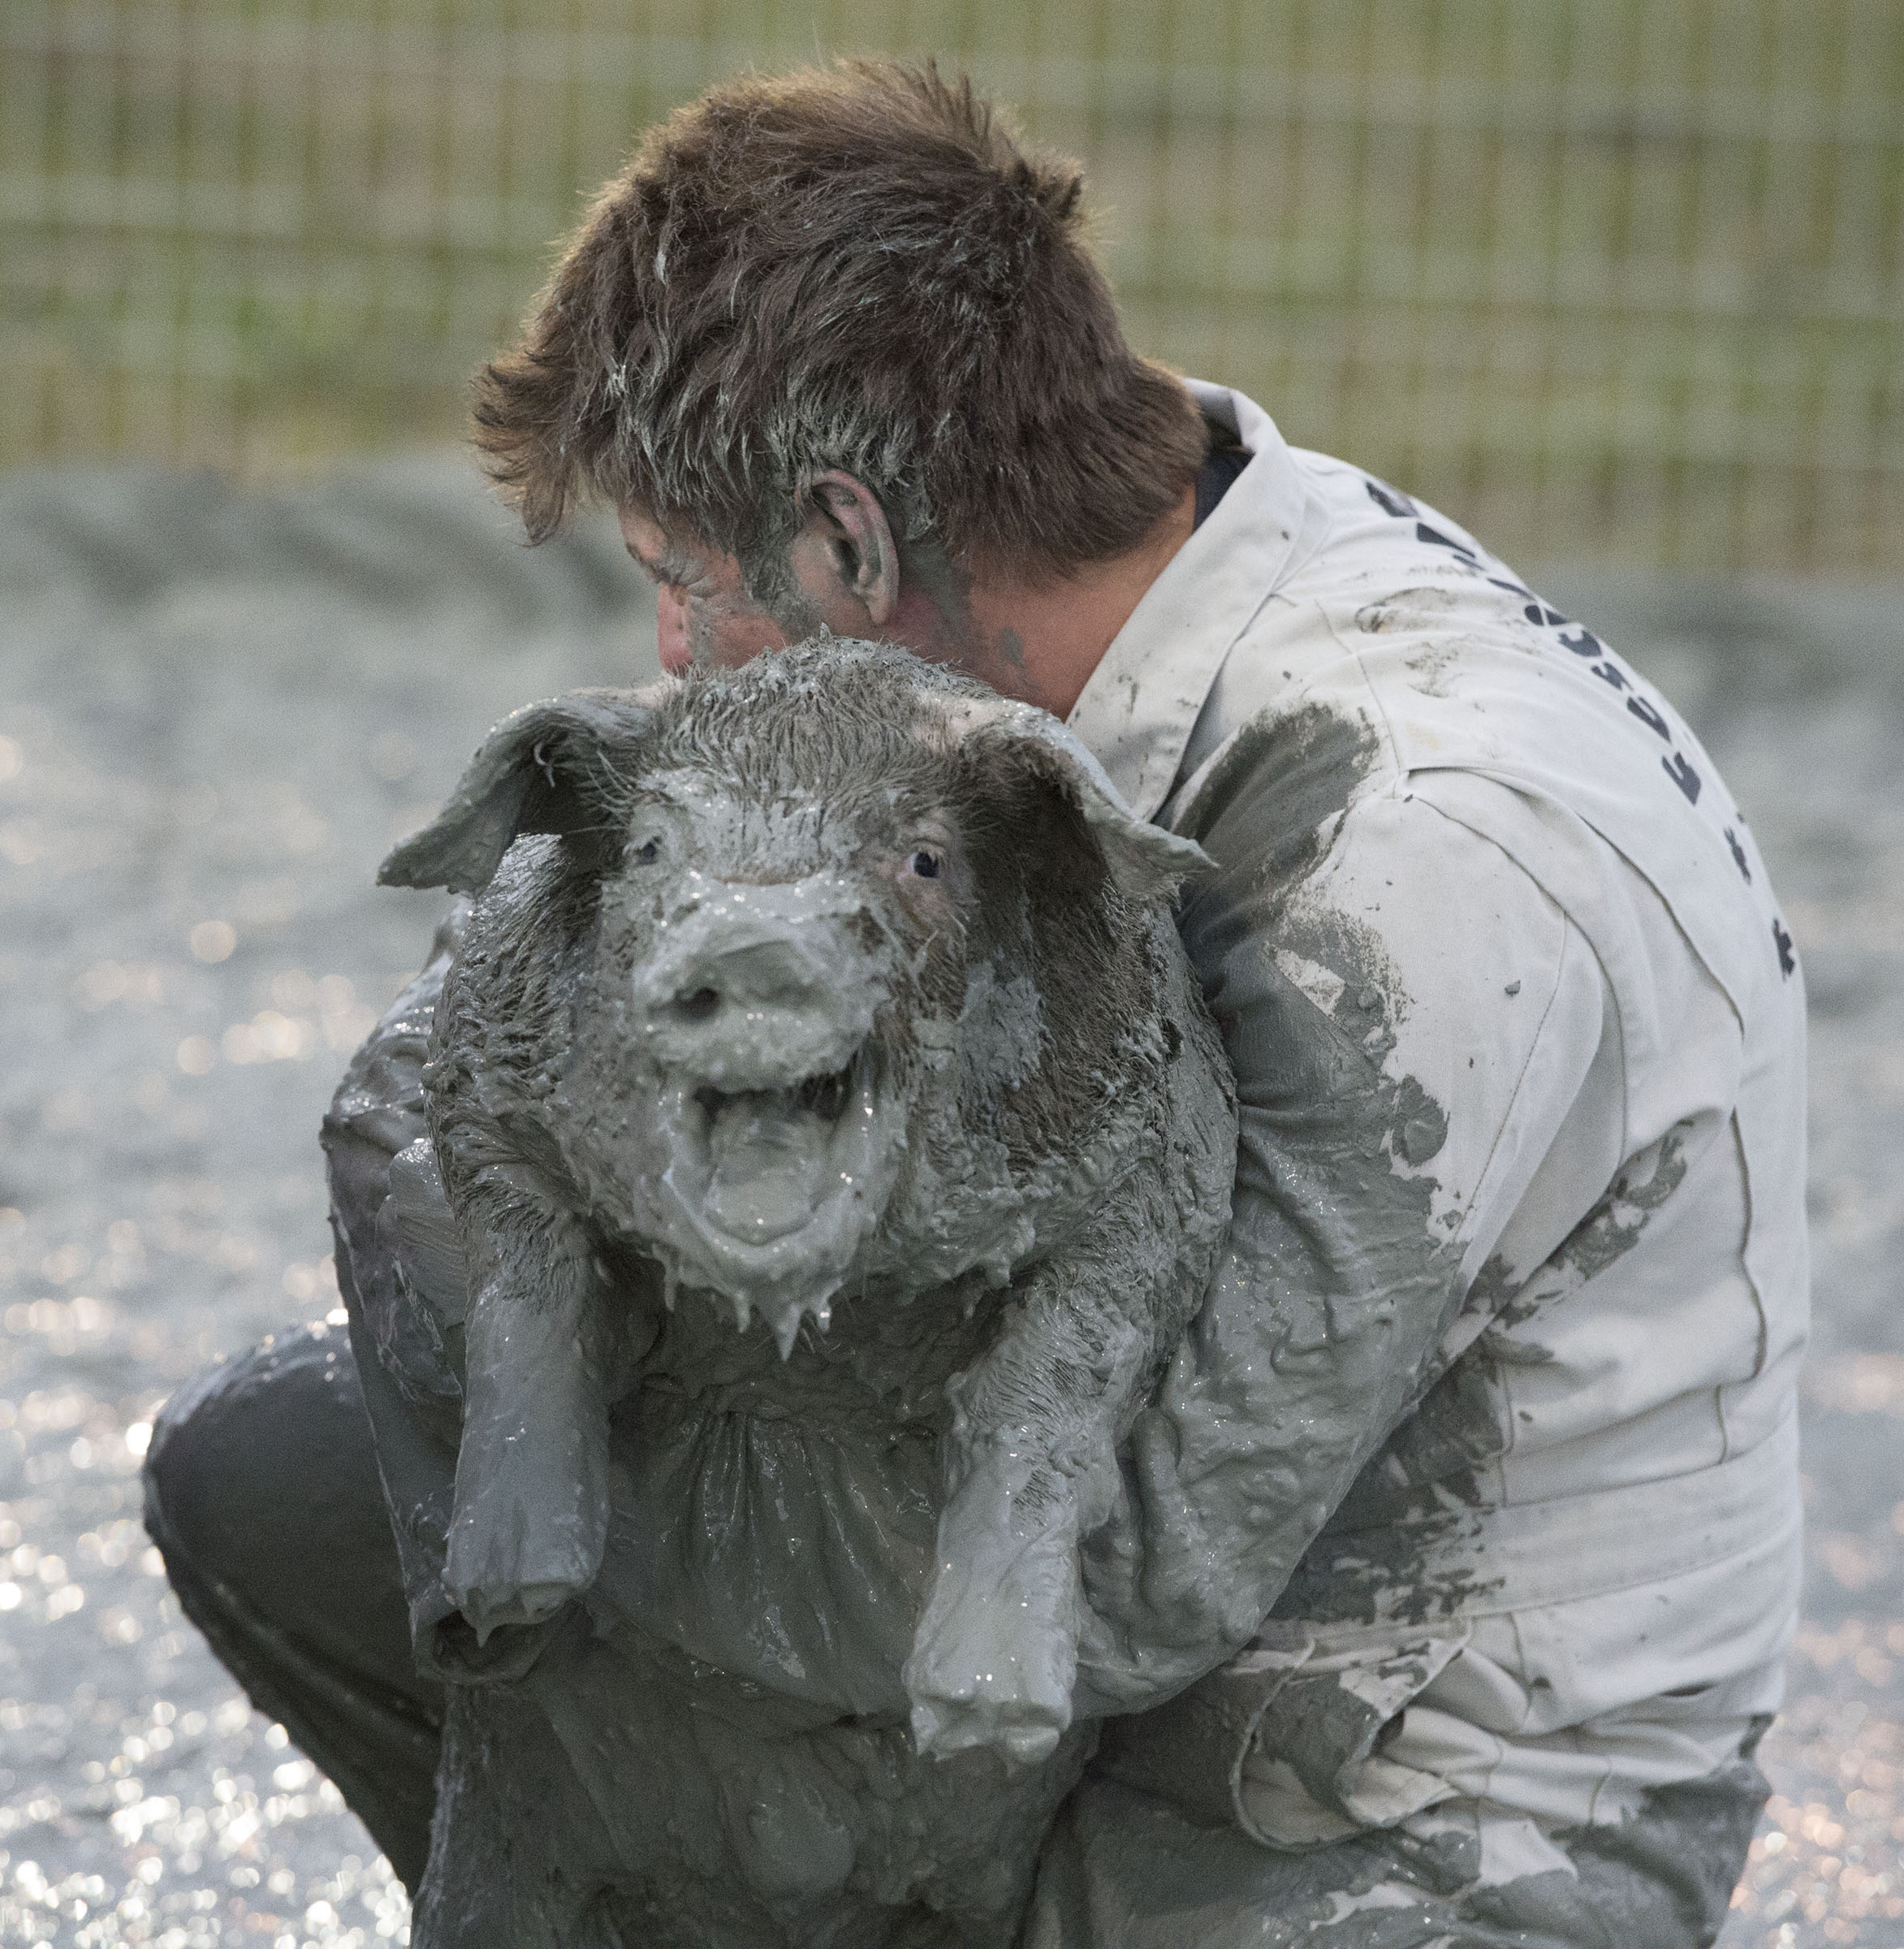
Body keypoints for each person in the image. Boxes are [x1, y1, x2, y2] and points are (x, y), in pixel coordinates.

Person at [144, 60, 1806, 1947]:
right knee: (279, 1485)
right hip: (1076, 1678)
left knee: (512, 1513)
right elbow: (461, 1068)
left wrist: (554, 1510)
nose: (664, 664)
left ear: (849, 548)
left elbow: (1130, 1563)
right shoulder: (991, 687)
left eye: (678, 588)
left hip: (1400, 1801)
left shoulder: (1422, 850)